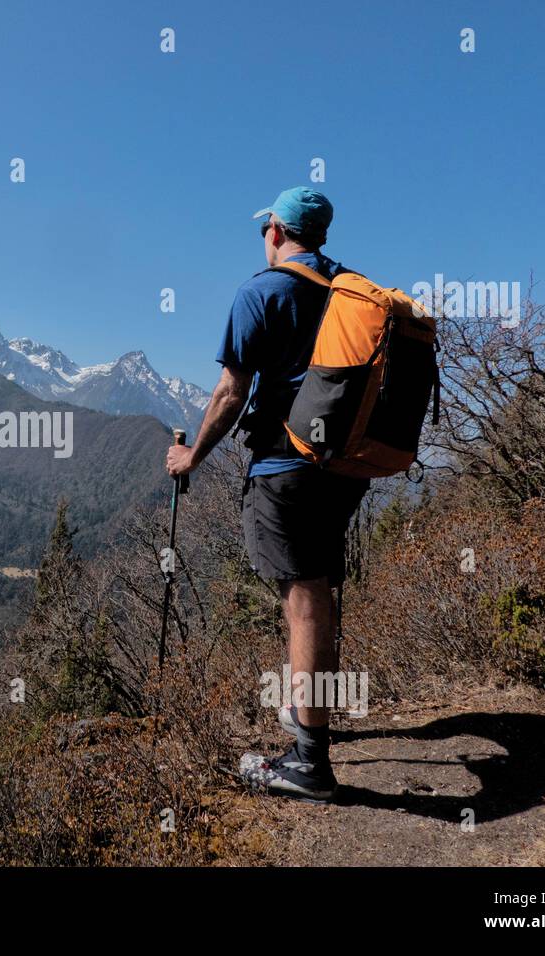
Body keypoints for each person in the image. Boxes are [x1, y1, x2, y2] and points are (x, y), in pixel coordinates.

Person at [165, 186, 367, 802]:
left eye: (265, 229)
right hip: (346, 468)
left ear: (276, 231)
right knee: (318, 595)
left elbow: (231, 391)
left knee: (303, 603)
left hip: (286, 466)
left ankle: (310, 763)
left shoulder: (263, 292)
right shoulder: (351, 290)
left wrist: (190, 455)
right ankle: (306, 717)